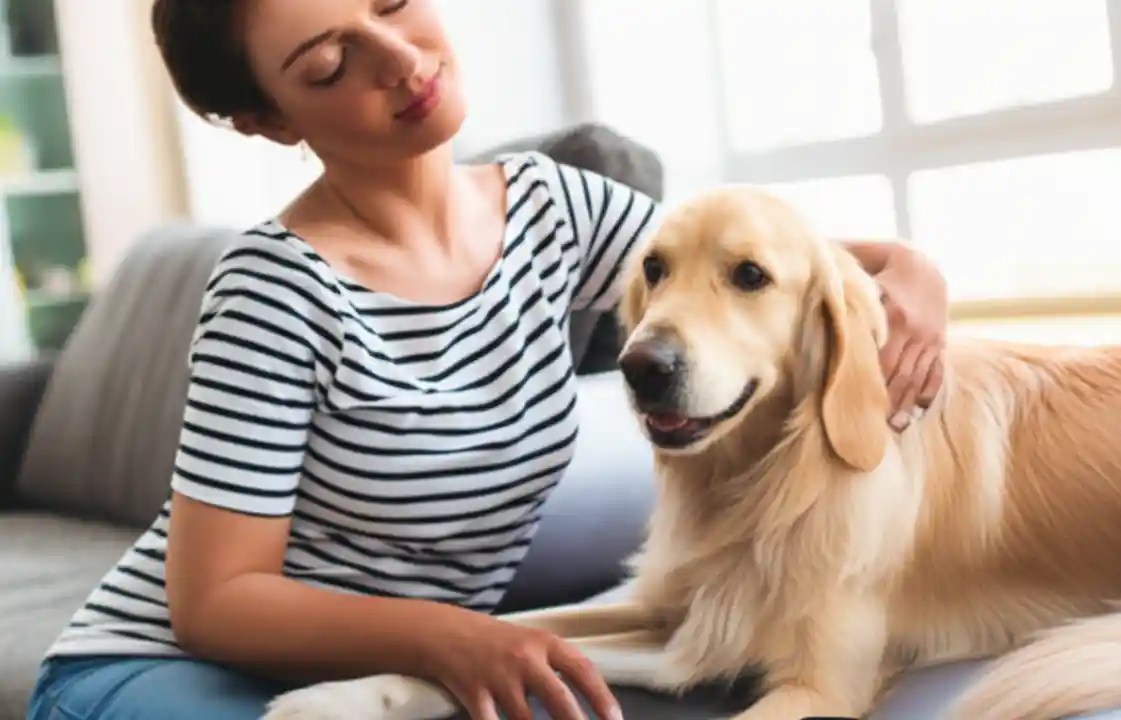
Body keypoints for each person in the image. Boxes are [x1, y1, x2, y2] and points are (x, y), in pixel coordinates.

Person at [25, 1, 948, 719]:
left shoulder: (556, 210)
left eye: (389, 3)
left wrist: (912, 269)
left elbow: (769, 266)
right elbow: (215, 602)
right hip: (156, 672)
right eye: (331, 62)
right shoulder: (275, 289)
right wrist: (452, 640)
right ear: (267, 119)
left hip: (376, 672)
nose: (401, 57)